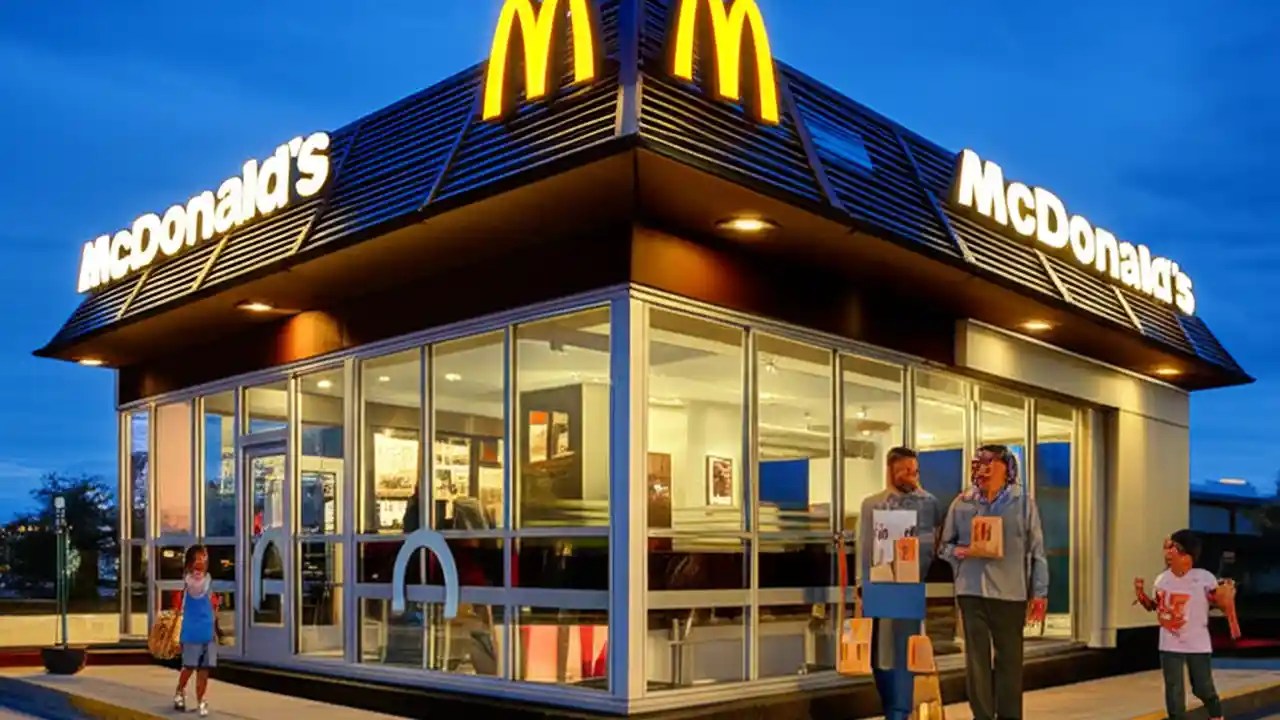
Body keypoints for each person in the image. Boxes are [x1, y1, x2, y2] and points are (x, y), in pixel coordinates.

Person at [939, 444, 1048, 720]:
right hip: (971, 592)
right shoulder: (962, 503)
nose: (981, 469)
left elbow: (1037, 552)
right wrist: (963, 552)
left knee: (1009, 662)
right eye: (978, 463)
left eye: (989, 463)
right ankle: (982, 716)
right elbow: (944, 547)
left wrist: (1039, 593)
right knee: (976, 662)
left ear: (1006, 469)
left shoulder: (1023, 503)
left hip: (1010, 594)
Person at [857, 446, 942, 720]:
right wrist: (861, 586)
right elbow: (865, 545)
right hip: (878, 587)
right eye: (905, 469)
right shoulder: (872, 504)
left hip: (908, 588)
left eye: (915, 470)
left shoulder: (928, 503)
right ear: (891, 470)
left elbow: (932, 545)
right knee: (879, 658)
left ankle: (899, 712)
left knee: (905, 656)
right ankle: (891, 706)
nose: (911, 475)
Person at [1134, 529, 1241, 720]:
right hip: (1169, 643)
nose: (1168, 554)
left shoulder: (1204, 578)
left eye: (1174, 549)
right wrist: (1141, 595)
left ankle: (1216, 714)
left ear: (1188, 556)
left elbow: (1220, 602)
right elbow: (1155, 606)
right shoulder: (1162, 580)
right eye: (1168, 549)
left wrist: (1228, 602)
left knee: (1202, 687)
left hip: (1197, 643)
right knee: (1174, 690)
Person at [173, 544, 221, 717]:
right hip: (192, 632)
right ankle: (180, 690)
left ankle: (201, 699)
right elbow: (194, 589)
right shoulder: (189, 581)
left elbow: (211, 603)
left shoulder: (208, 580)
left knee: (204, 670)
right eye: (199, 558)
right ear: (191, 562)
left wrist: (215, 623)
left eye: (205, 558)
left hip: (207, 631)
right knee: (189, 667)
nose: (202, 562)